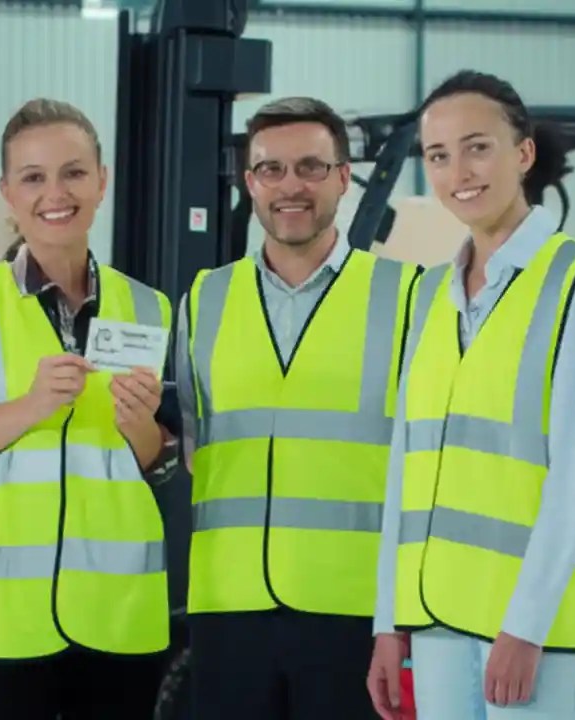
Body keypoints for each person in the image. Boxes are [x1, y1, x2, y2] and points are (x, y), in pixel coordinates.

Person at [366, 69, 575, 720]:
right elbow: (405, 470)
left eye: (477, 146)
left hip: (530, 628)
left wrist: (526, 626)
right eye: (438, 155)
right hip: (438, 617)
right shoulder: (432, 294)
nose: (457, 170)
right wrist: (389, 619)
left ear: (523, 154)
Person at [0, 97, 178, 719]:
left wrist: (142, 432)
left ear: (102, 181)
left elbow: (167, 463)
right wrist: (29, 406)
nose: (56, 192)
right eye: (33, 177)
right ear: (8, 193)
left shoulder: (151, 308)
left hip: (119, 615)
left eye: (74, 172)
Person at [174, 96, 421, 720]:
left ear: (343, 178)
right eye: (270, 169)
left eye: (311, 167)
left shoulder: (409, 298)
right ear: (247, 181)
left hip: (353, 609)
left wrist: (401, 615)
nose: (290, 186)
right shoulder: (204, 300)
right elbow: (190, 443)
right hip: (228, 606)